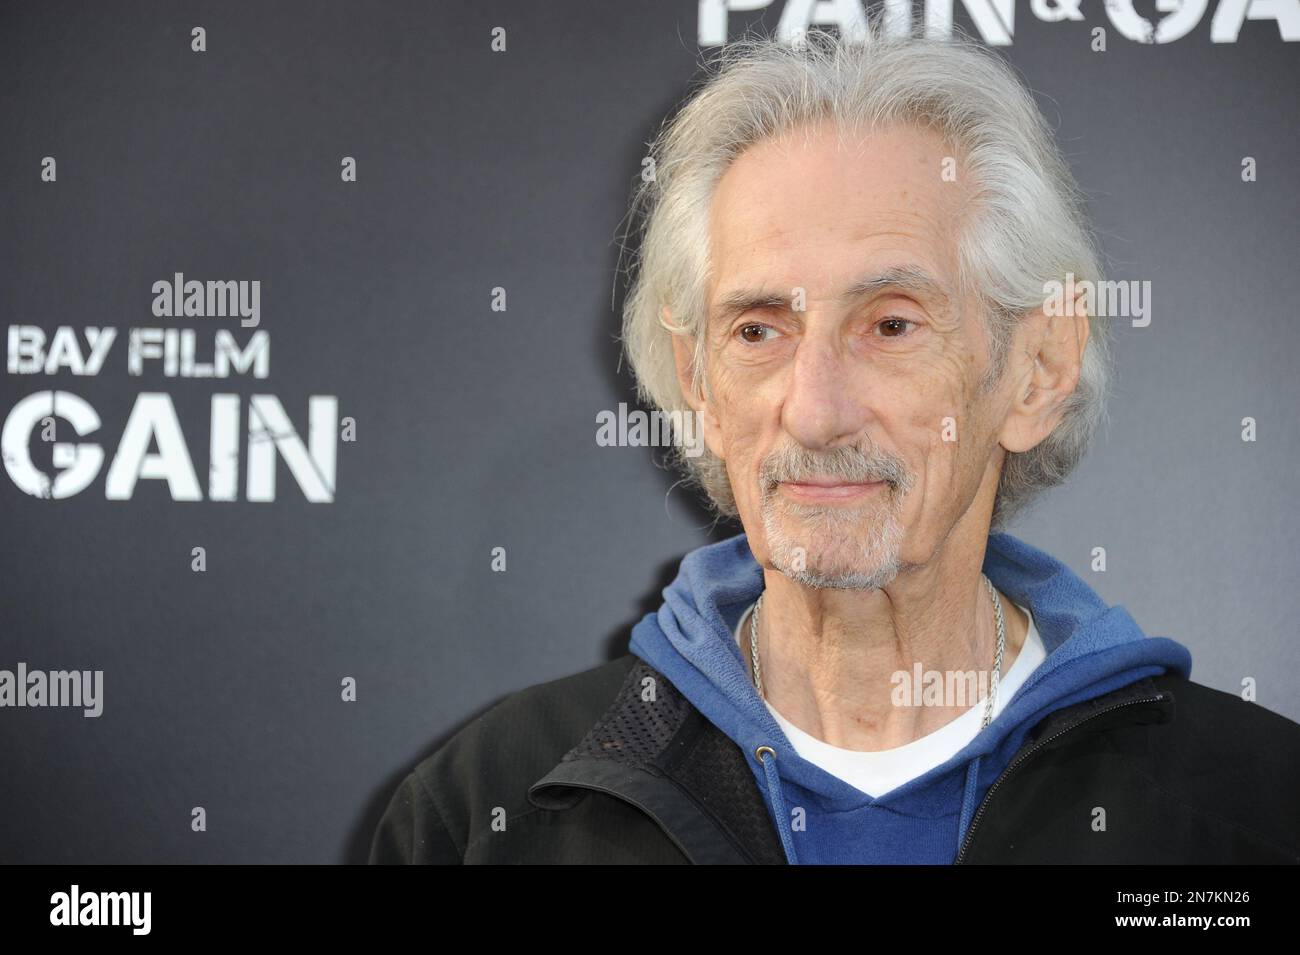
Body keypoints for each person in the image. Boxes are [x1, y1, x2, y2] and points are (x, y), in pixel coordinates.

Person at [369, 24, 1300, 864]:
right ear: (698, 385)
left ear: (1039, 370)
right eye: (758, 330)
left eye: (891, 325)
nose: (814, 412)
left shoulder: (1254, 811)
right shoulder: (484, 814)